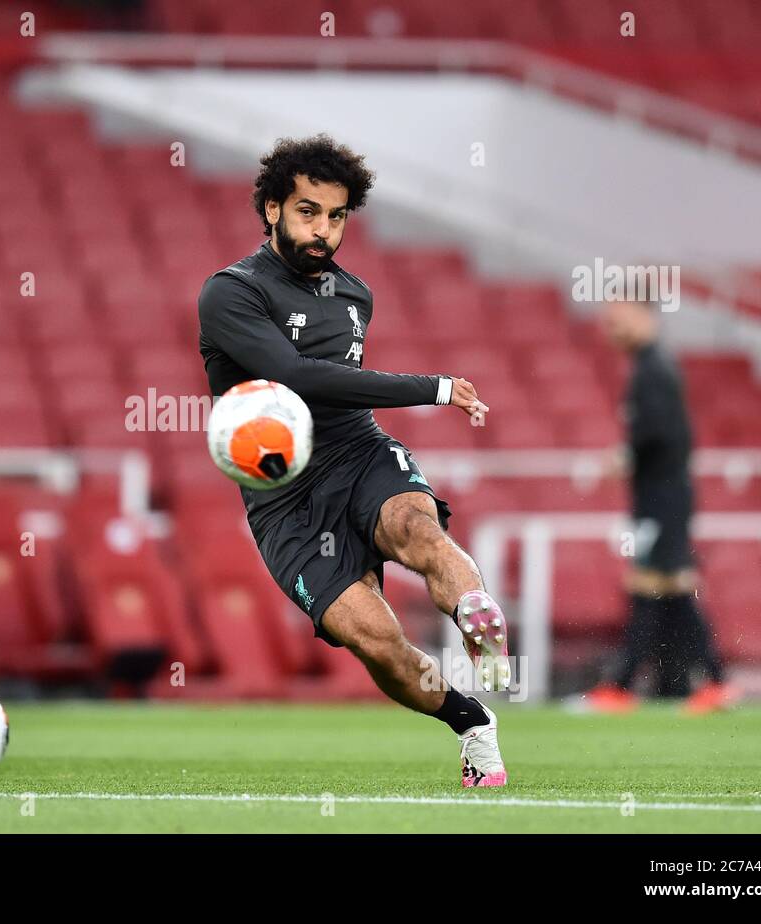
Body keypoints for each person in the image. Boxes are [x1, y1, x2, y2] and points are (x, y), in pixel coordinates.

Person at [197, 135, 509, 786]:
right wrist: (433, 388)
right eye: (308, 212)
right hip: (283, 497)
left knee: (419, 530)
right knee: (377, 641)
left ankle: (476, 612)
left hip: (358, 451)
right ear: (273, 208)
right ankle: (473, 722)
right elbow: (294, 375)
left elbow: (340, 389)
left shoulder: (355, 295)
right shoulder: (231, 293)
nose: (324, 230)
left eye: (336, 216)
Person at [584, 298, 736, 715]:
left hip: (662, 499)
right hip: (664, 497)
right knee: (670, 587)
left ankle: (621, 687)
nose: (611, 330)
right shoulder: (654, 368)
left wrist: (626, 455)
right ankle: (711, 682)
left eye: (618, 320)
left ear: (644, 315)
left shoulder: (653, 371)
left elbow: (665, 435)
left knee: (650, 583)